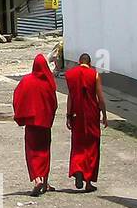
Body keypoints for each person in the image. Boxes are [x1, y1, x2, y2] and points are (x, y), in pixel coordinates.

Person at [13, 53, 58, 196]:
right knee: (44, 152)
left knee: (32, 152)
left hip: (32, 123)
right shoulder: (49, 83)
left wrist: (20, 115)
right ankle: (45, 182)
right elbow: (54, 103)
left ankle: (37, 179)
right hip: (45, 123)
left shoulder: (26, 81)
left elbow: (17, 98)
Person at [65, 53, 107, 191]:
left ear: (79, 62)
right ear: (90, 63)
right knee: (92, 147)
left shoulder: (71, 75)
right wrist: (105, 115)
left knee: (78, 145)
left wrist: (68, 115)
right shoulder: (94, 74)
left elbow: (70, 96)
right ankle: (88, 182)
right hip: (91, 116)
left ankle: (78, 169)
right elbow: (100, 97)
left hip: (76, 115)